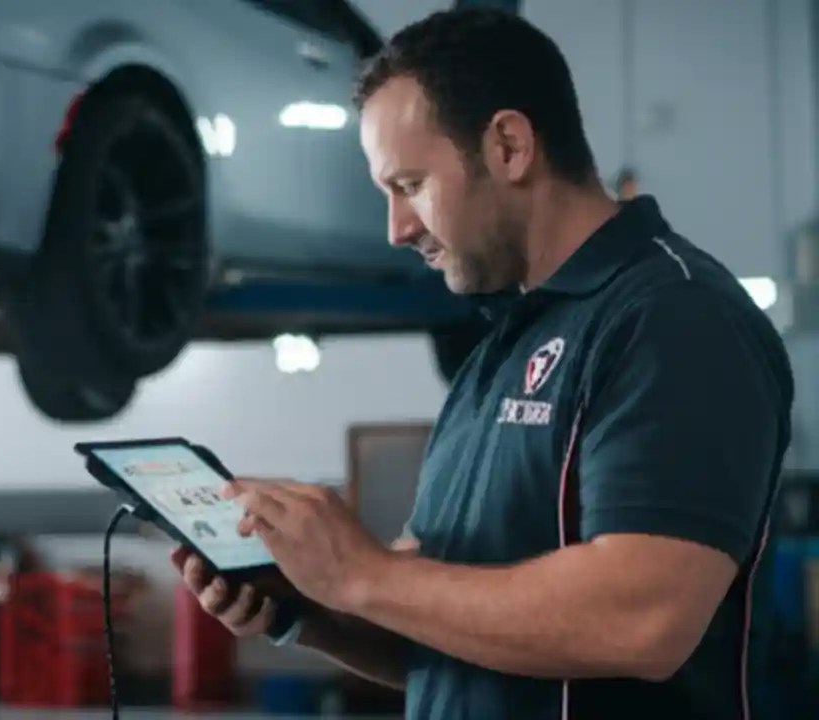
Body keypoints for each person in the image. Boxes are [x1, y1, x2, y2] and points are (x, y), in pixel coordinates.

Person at [171, 8, 794, 720]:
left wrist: (361, 574)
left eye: (408, 185)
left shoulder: (674, 318)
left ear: (508, 145)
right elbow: (453, 641)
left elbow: (643, 620)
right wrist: (304, 608)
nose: (396, 230)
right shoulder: (503, 345)